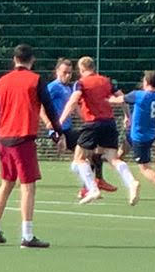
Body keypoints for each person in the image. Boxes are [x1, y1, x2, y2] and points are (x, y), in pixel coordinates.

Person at [0, 44, 60, 248]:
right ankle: (27, 235)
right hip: (23, 138)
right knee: (28, 186)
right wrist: (59, 132)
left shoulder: (2, 82)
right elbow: (49, 108)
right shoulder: (36, 80)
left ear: (14, 60)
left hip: (3, 139)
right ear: (32, 60)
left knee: (7, 183)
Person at [58, 56, 139, 206]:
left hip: (92, 124)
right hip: (109, 123)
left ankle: (92, 188)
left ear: (81, 69)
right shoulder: (106, 81)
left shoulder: (81, 83)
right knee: (113, 158)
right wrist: (127, 116)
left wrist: (61, 120)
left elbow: (73, 101)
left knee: (79, 159)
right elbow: (122, 97)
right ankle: (131, 182)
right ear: (93, 67)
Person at [49, 57, 114, 194]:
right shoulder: (53, 87)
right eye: (64, 72)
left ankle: (91, 184)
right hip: (59, 131)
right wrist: (52, 126)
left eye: (70, 73)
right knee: (86, 155)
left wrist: (89, 121)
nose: (67, 75)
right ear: (56, 71)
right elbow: (41, 105)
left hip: (68, 129)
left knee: (91, 153)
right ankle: (92, 184)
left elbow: (75, 107)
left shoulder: (68, 88)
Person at [123, 71, 155, 190]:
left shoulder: (139, 95)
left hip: (139, 137)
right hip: (146, 134)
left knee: (144, 168)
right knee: (118, 155)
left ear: (146, 82)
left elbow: (119, 99)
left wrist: (105, 98)